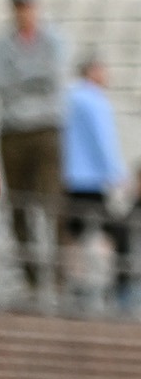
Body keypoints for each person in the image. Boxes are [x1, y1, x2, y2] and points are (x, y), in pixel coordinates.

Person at [0, 0, 67, 295]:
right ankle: (31, 277)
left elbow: (51, 78)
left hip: (45, 129)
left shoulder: (53, 41)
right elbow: (1, 83)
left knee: (52, 203)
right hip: (14, 131)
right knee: (18, 203)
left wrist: (23, 80)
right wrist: (31, 81)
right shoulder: (1, 46)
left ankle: (57, 276)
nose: (24, 12)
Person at [61, 56, 130, 309]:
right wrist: (116, 173)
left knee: (75, 233)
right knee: (115, 231)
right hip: (92, 180)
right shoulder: (94, 100)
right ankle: (118, 288)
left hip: (71, 177)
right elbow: (103, 140)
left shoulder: (70, 97)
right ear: (93, 72)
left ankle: (76, 286)